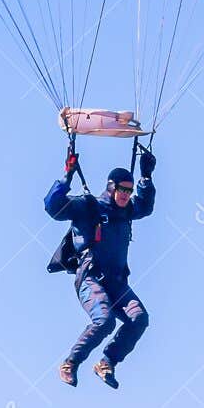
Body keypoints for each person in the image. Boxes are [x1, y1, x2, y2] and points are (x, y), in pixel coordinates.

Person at [44, 146, 156, 389]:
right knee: (105, 321)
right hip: (90, 278)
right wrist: (67, 176)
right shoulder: (89, 206)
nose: (127, 194)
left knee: (139, 319)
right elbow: (53, 208)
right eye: (122, 189)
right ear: (112, 187)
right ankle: (71, 363)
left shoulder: (127, 211)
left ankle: (106, 362)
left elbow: (145, 207)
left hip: (117, 282)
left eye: (130, 190)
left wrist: (146, 178)